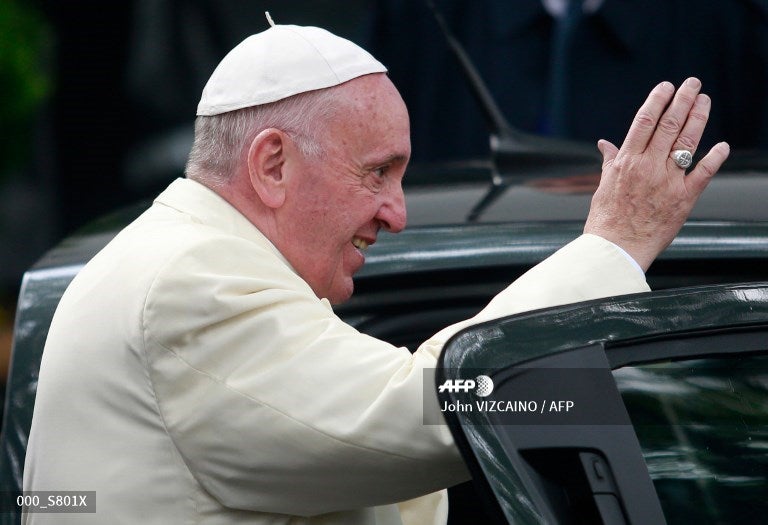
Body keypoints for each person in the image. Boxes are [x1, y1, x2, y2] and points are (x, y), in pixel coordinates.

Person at [22, 21, 729, 525]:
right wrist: (613, 246)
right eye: (378, 173)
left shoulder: (188, 254)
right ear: (272, 165)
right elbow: (425, 412)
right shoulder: (190, 280)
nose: (396, 213)